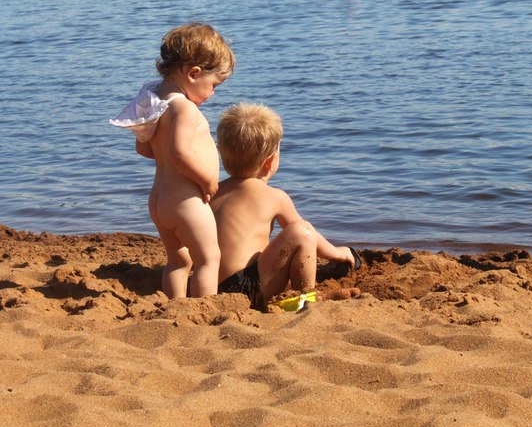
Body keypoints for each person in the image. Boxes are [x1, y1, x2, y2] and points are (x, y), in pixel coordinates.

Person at [110, 23, 235, 299]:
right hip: (185, 203)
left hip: (159, 201)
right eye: (214, 85)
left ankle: (174, 303)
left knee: (179, 260)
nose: (213, 93)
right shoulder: (184, 109)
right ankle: (204, 307)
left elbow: (144, 148)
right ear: (194, 73)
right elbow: (179, 152)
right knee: (208, 259)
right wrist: (207, 180)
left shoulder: (156, 104)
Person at [211, 103, 359, 311]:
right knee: (302, 231)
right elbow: (308, 238)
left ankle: (299, 297)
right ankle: (306, 301)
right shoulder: (275, 196)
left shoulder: (213, 192)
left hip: (214, 287)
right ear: (270, 162)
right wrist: (338, 253)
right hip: (246, 289)